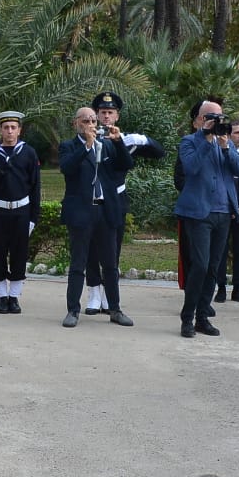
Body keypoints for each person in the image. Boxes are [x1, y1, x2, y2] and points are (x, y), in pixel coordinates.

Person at [85, 91, 163, 315]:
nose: (106, 116)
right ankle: (93, 293)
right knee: (91, 247)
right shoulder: (88, 138)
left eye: (110, 112)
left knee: (113, 249)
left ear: (117, 116)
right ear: (96, 115)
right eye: (102, 112)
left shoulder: (124, 140)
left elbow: (159, 152)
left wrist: (141, 139)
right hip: (92, 199)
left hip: (115, 200)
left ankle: (110, 295)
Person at [174, 99, 239, 338]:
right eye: (211, 117)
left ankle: (202, 317)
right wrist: (205, 139)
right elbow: (191, 168)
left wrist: (226, 147)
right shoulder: (188, 142)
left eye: (220, 116)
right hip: (198, 214)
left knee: (213, 268)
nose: (217, 121)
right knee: (200, 265)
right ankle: (187, 317)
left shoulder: (225, 143)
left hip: (223, 213)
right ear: (200, 121)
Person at [59, 106, 134, 328]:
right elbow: (67, 168)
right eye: (86, 121)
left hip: (105, 211)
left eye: (93, 120)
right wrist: (87, 146)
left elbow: (126, 165)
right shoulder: (69, 147)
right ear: (76, 124)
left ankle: (115, 309)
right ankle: (73, 309)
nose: (91, 124)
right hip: (81, 212)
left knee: (110, 264)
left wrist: (119, 142)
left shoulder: (108, 145)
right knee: (78, 263)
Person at [0, 110, 41, 313]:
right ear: (0, 130)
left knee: (19, 254)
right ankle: (1, 296)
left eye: (14, 127)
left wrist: (33, 218)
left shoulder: (28, 152)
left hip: (21, 211)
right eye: (6, 128)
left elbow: (35, 187)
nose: (10, 131)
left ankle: (14, 297)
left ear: (20, 130)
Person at [214, 120, 239, 304]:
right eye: (237, 132)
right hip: (225, 210)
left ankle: (237, 288)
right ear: (229, 135)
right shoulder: (222, 155)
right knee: (221, 250)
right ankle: (220, 287)